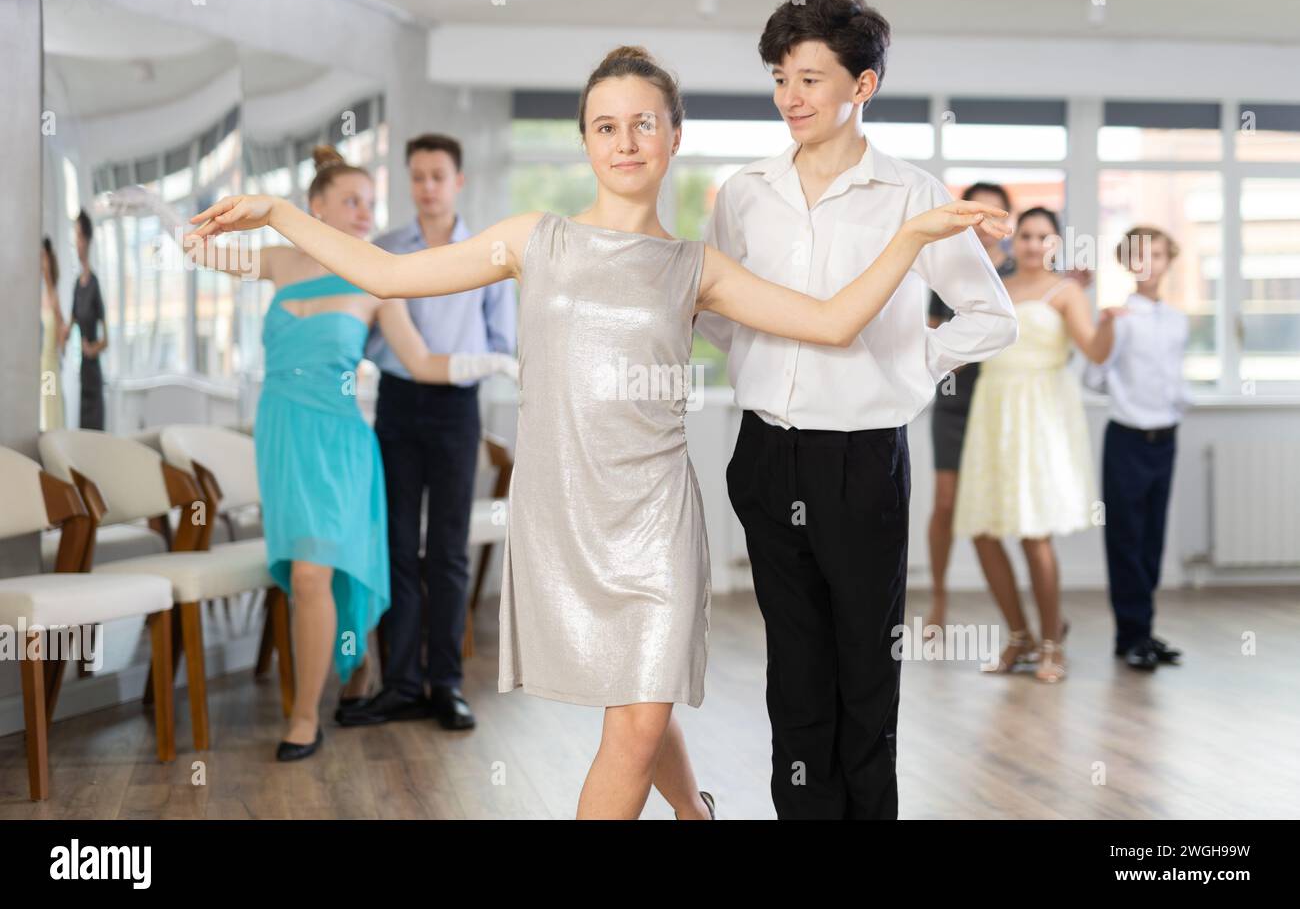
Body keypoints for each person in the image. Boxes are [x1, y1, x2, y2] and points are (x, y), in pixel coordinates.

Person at [187, 46, 1010, 819]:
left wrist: (907, 237)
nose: (626, 142)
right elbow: (387, 273)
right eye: (606, 126)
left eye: (644, 123)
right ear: (585, 139)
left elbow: (831, 324)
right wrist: (276, 212)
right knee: (633, 707)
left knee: (638, 720)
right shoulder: (532, 240)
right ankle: (693, 810)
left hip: (655, 522)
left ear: (674, 136)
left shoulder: (698, 265)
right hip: (563, 512)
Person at [693, 0, 1019, 820]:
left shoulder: (913, 196)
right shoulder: (744, 194)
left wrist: (909, 368)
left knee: (866, 670)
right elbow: (726, 314)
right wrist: (764, 358)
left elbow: (991, 316)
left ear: (862, 85)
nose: (790, 98)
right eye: (779, 78)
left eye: (810, 78)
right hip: (765, 455)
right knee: (793, 672)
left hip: (863, 463)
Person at [184, 146, 516, 761]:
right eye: (352, 201)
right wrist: (190, 219)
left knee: (315, 571)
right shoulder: (280, 260)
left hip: (340, 441)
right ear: (315, 207)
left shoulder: (376, 276)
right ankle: (355, 669)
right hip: (282, 432)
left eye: (370, 201)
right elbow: (202, 254)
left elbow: (419, 362)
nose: (367, 213)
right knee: (304, 572)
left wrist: (492, 362)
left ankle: (305, 716)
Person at [339, 133, 516, 731]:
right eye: (417, 176)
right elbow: (364, 334)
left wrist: (467, 365)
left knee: (445, 549)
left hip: (459, 406)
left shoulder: (487, 253)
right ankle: (400, 683)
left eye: (438, 175)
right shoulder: (386, 249)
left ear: (457, 180)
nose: (427, 186)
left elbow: (501, 342)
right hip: (397, 403)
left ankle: (445, 683)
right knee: (395, 545)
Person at [953, 207, 1125, 683]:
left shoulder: (1067, 291)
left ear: (1056, 243)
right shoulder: (995, 288)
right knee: (983, 529)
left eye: (1042, 236)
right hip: (993, 409)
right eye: (1025, 235)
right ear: (1014, 242)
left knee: (1034, 531)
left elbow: (1094, 351)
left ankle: (1052, 643)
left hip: (1041, 414)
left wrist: (1108, 321)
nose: (1032, 244)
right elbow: (968, 350)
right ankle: (1019, 636)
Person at [1083, 226, 1188, 672]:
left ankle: (1142, 631)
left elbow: (1173, 379)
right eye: (1139, 256)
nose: (1150, 264)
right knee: (1125, 538)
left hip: (1165, 439)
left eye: (1158, 255)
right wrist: (1104, 329)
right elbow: (1092, 377)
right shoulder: (1118, 319)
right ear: (1128, 263)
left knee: (1152, 540)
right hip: (1127, 439)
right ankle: (1131, 635)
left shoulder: (1178, 320)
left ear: (1168, 260)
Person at [924, 182, 1017, 637]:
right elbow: (934, 337)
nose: (983, 227)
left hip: (1004, 408)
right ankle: (938, 598)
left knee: (1001, 513)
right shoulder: (952, 269)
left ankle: (1024, 621)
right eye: (975, 216)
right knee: (946, 504)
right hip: (956, 405)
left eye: (992, 217)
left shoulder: (1022, 272)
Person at [67, 210, 107, 430]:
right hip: (82, 371)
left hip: (94, 370)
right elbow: (70, 322)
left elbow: (106, 339)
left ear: (88, 241)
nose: (77, 242)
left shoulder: (94, 284)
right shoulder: (76, 286)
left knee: (95, 432)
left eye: (80, 236)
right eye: (75, 236)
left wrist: (93, 348)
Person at [40, 236, 67, 431]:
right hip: (41, 366)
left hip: (51, 368)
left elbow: (62, 340)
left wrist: (64, 333)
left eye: (43, 257)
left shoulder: (54, 298)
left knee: (51, 418)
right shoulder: (40, 298)